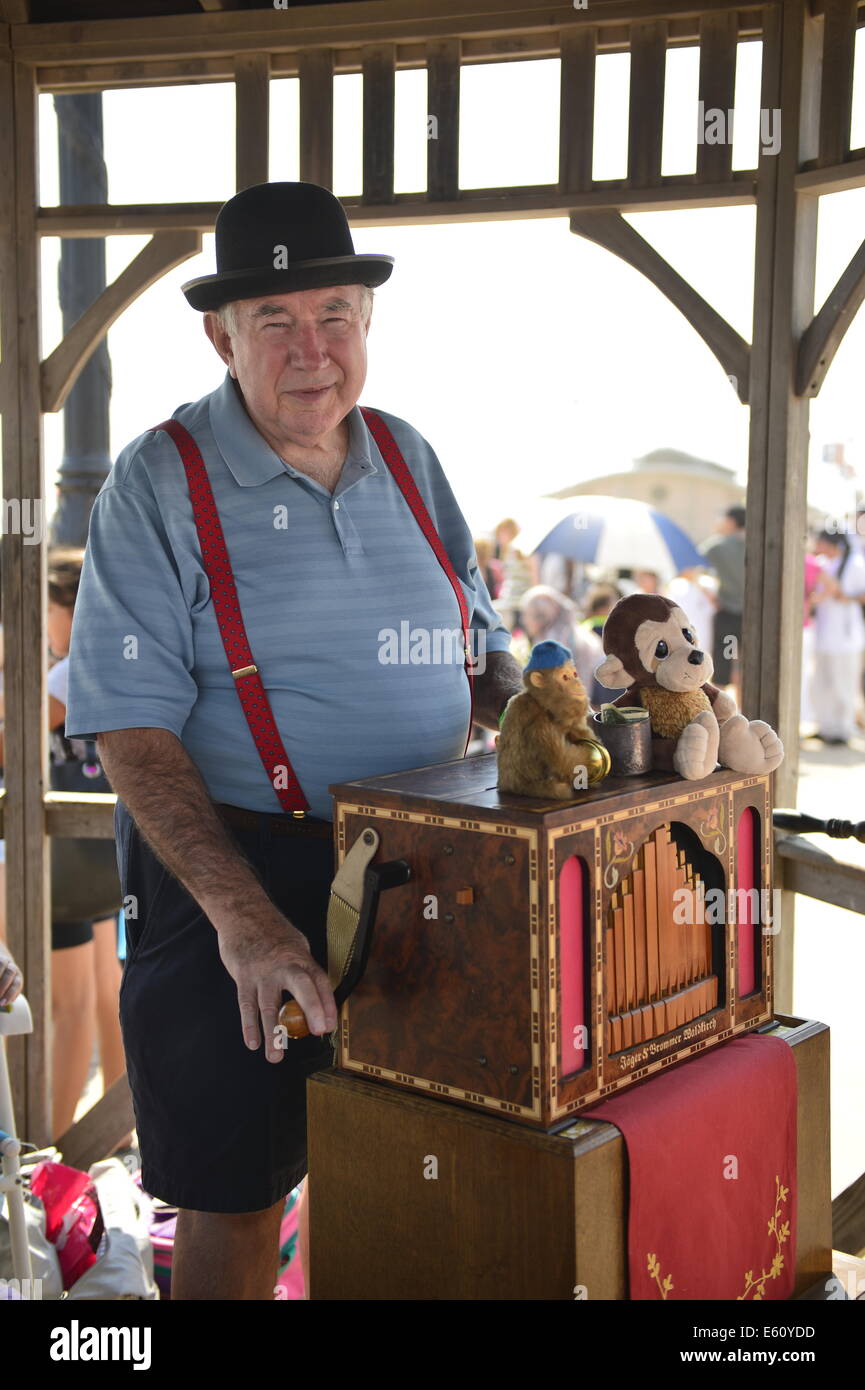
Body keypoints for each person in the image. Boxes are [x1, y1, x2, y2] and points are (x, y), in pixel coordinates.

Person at [64, 181, 522, 1301]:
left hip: (426, 868)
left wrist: (558, 723)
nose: (310, 350)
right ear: (221, 335)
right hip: (239, 869)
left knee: (416, 1164)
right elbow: (128, 724)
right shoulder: (157, 480)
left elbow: (484, 651)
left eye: (334, 316)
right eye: (275, 321)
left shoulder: (409, 456)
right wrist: (249, 922)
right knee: (235, 1189)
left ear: (368, 327)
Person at [46, 549, 127, 1139]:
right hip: (105, 861)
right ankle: (112, 1136)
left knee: (69, 1008)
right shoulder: (118, 659)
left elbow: (11, 744)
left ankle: (52, 1145)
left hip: (62, 866)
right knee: (108, 998)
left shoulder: (62, 675)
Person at [808, 530, 865, 745]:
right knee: (822, 682)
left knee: (844, 684)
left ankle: (843, 729)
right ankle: (826, 726)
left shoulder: (856, 564)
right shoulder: (823, 563)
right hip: (824, 633)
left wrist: (845, 596)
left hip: (846, 636)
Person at [518, 586, 604, 705]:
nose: (524, 621)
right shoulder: (573, 631)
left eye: (527, 614)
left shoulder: (551, 641)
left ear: (541, 616)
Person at [699, 505, 746, 698]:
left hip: (727, 613)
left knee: (725, 660)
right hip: (754, 614)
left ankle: (722, 712)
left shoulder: (717, 546)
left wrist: (711, 596)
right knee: (746, 665)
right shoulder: (757, 544)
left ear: (731, 521)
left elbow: (692, 565)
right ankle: (746, 711)